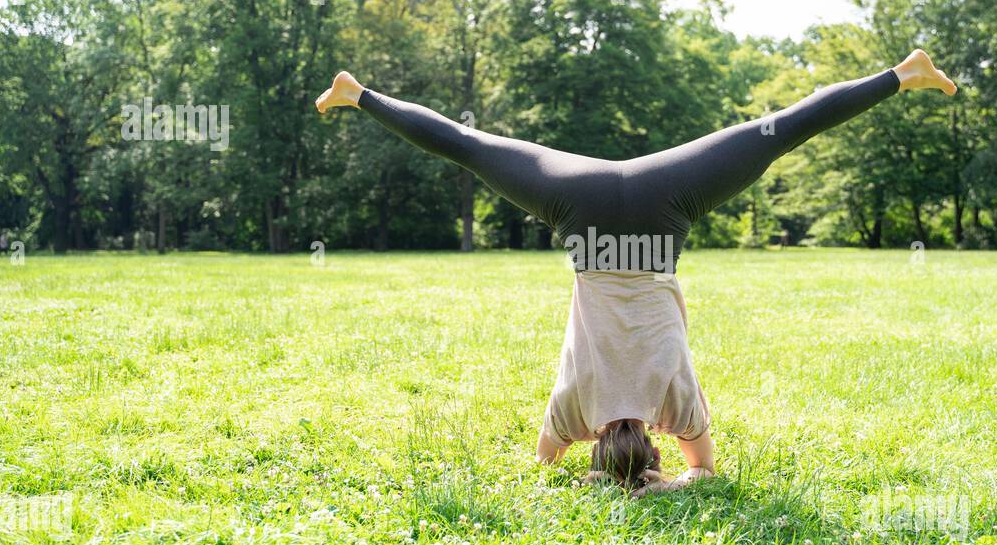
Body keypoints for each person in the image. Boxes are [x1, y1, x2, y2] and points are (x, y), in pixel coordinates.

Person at [316, 49, 956, 497]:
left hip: (660, 214)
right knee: (472, 146)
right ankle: (358, 93)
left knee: (776, 132)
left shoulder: (673, 406)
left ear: (654, 443)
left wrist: (669, 485)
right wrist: (603, 480)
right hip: (582, 211)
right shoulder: (573, 414)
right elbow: (543, 467)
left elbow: (703, 471)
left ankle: (903, 74)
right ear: (593, 446)